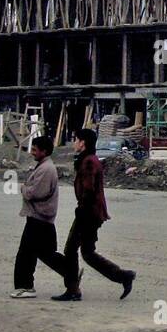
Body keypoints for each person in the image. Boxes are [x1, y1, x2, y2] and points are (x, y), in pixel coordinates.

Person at [50, 128, 136, 302]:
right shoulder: (88, 159)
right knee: (88, 253)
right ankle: (123, 276)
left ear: (83, 143)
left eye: (76, 139)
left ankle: (73, 289)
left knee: (70, 250)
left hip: (88, 214)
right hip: (91, 213)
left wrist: (81, 212)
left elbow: (88, 190)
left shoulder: (89, 162)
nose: (74, 142)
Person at [10, 136, 66, 299]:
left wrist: (23, 189)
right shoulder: (43, 166)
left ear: (44, 151)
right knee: (45, 253)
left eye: (35, 150)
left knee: (25, 254)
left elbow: (36, 193)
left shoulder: (46, 169)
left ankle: (24, 286)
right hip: (41, 217)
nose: (32, 153)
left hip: (39, 218)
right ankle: (71, 271)